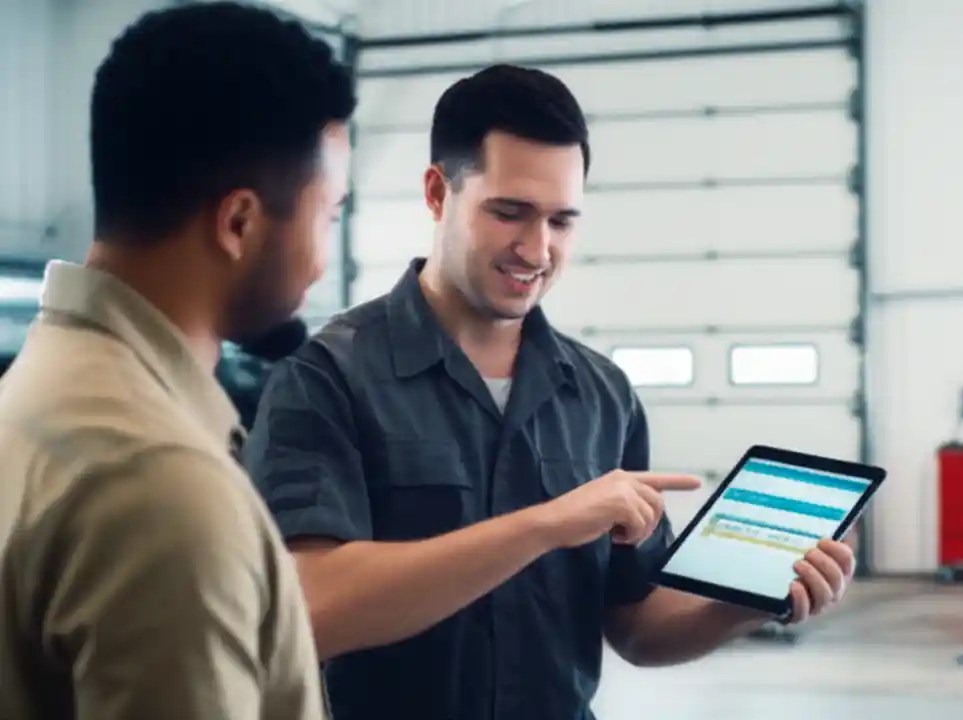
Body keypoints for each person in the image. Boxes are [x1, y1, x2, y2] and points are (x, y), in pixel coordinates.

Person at [244, 64, 857, 720]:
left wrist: (747, 598)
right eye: (510, 212)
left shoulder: (600, 395)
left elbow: (638, 627)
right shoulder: (326, 377)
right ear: (435, 193)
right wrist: (544, 525)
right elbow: (311, 610)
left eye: (562, 221)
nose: (537, 249)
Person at [0, 3, 356, 718]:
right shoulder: (159, 484)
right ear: (239, 223)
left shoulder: (40, 392)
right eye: (329, 213)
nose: (324, 254)